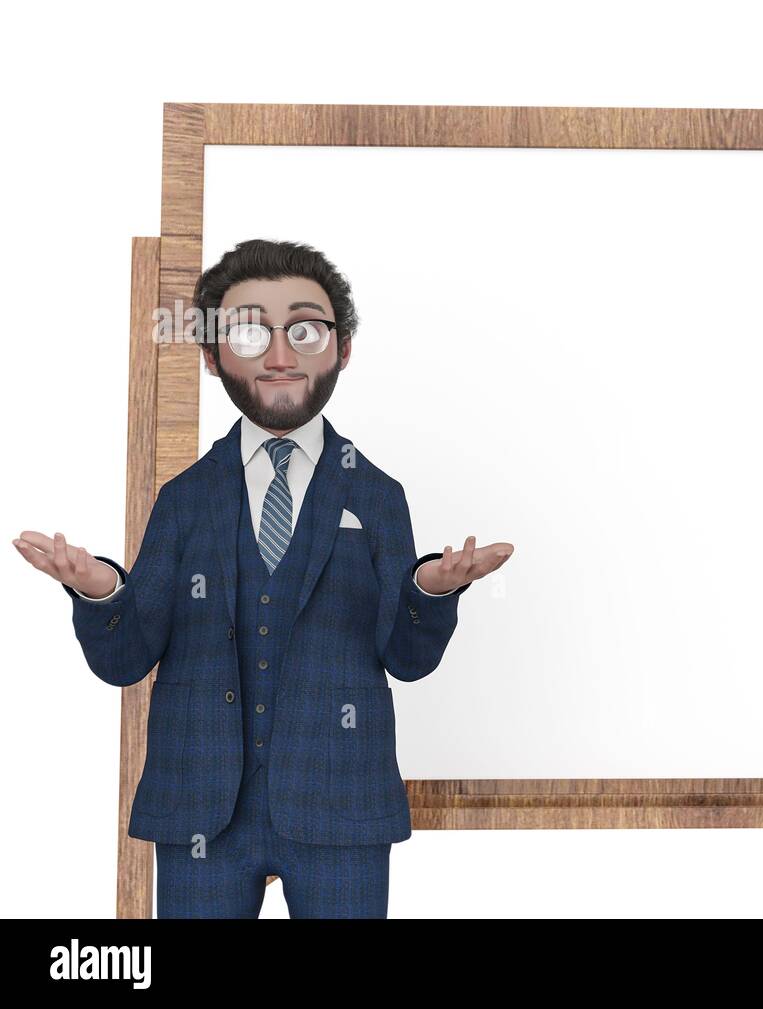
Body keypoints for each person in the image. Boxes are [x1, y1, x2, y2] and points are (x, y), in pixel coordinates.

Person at [13, 238, 512, 917]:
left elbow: (407, 657)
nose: (281, 355)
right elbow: (128, 657)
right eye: (251, 331)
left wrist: (432, 591)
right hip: (199, 810)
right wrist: (101, 590)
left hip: (344, 808)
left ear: (343, 348)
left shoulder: (376, 495)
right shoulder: (186, 498)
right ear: (214, 354)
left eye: (305, 329)